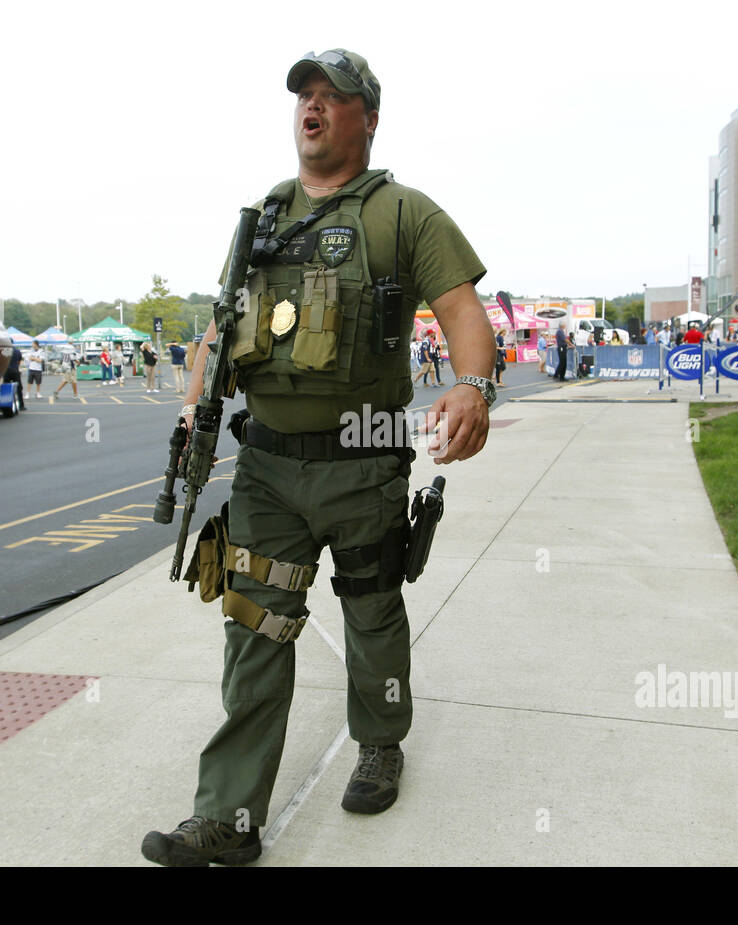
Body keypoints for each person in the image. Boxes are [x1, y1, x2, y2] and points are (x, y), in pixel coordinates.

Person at [141, 48, 494, 868]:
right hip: (265, 467)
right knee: (256, 626)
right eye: (305, 95)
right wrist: (197, 408)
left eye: (334, 97)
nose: (313, 107)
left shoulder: (405, 213)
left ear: (368, 118)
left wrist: (472, 384)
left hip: (365, 458)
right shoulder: (260, 218)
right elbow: (219, 324)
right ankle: (227, 818)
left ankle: (380, 741)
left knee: (370, 608)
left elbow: (463, 310)